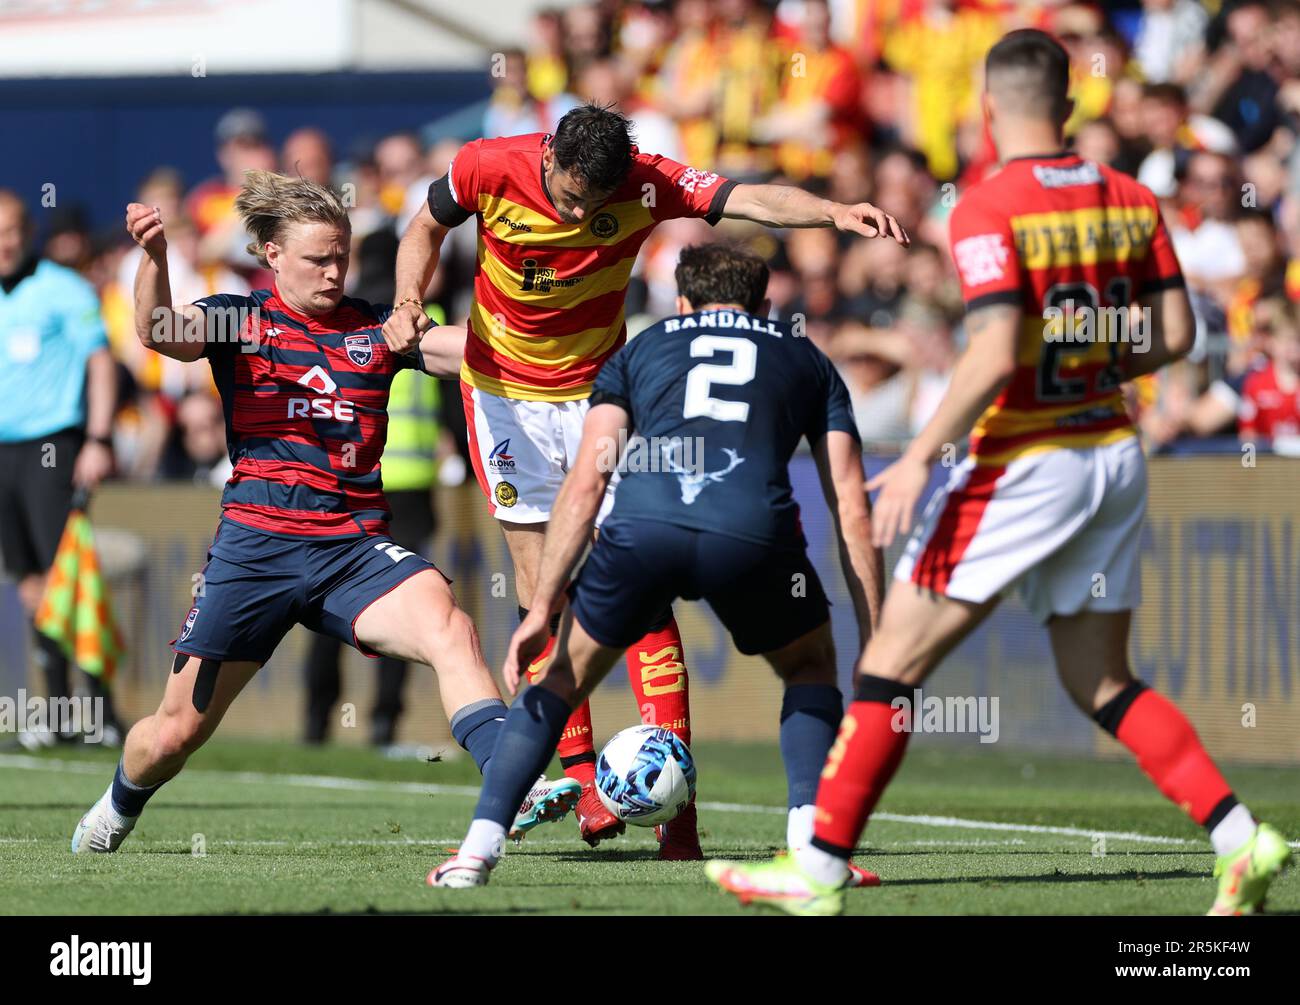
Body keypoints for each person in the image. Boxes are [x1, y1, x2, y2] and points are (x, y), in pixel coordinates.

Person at [707, 29, 1292, 917]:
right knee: (1102, 681)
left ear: (986, 109)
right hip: (1114, 455)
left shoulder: (986, 204)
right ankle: (1238, 838)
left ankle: (818, 870)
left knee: (892, 660)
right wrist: (1086, 359)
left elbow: (989, 353)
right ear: (1071, 106)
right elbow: (1176, 338)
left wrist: (919, 458)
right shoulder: (1132, 196)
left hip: (1025, 458)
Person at [383, 101, 908, 856]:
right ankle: (585, 789)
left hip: (602, 394)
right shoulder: (484, 164)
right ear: (547, 157)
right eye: (568, 196)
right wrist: (408, 299)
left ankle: (678, 818)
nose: (580, 212)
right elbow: (423, 227)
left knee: (636, 584)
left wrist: (832, 211)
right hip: (500, 396)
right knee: (541, 592)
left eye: (596, 204)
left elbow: (750, 195)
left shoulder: (649, 182)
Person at [70, 171, 576, 854]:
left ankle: (509, 784)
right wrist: (155, 259)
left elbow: (472, 353)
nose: (335, 271)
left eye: (341, 256)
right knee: (174, 733)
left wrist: (559, 349)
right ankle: (116, 806)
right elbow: (161, 331)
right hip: (256, 547)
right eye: (318, 259)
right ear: (272, 255)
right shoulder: (240, 318)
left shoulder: (375, 328)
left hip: (353, 548)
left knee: (450, 628)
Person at [427, 244, 887, 888]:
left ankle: (474, 855)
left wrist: (543, 605)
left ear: (682, 303)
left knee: (557, 683)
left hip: (645, 529)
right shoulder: (807, 357)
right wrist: (877, 635)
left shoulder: (641, 348)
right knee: (809, 669)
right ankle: (813, 850)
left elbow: (588, 480)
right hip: (751, 532)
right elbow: (851, 506)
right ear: (765, 305)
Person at [0, 189, 122, 746]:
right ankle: (53, 711)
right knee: (29, 583)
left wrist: (97, 438)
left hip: (52, 445)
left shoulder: (64, 290)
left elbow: (101, 364)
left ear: (27, 231)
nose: (4, 243)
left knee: (66, 577)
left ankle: (96, 709)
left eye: (11, 230)